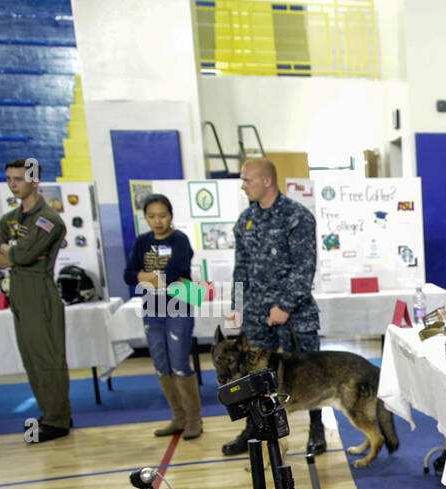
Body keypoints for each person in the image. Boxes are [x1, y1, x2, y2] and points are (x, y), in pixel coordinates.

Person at [223, 157, 325, 456]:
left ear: (266, 181)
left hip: (294, 315)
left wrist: (285, 306)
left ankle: (316, 429)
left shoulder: (297, 216)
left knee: (309, 374)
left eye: (247, 180)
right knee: (254, 376)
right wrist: (237, 306)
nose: (243, 186)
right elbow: (241, 268)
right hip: (256, 316)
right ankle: (254, 428)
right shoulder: (245, 220)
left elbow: (304, 267)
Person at [0, 158, 70, 442]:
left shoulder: (49, 218)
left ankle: (58, 420)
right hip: (18, 291)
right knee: (31, 358)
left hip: (39, 290)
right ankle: (50, 412)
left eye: (19, 179)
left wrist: (12, 251)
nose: (13, 184)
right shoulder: (9, 219)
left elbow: (21, 256)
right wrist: (13, 251)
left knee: (48, 357)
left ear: (35, 180)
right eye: (9, 179)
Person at [124, 193, 201, 439]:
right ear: (145, 218)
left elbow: (174, 272)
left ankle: (194, 420)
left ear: (171, 215)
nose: (157, 221)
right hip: (152, 307)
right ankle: (179, 418)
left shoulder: (179, 240)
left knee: (179, 363)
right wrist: (147, 278)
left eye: (163, 216)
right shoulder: (142, 241)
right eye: (151, 216)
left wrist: (145, 276)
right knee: (161, 364)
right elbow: (128, 275)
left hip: (179, 304)